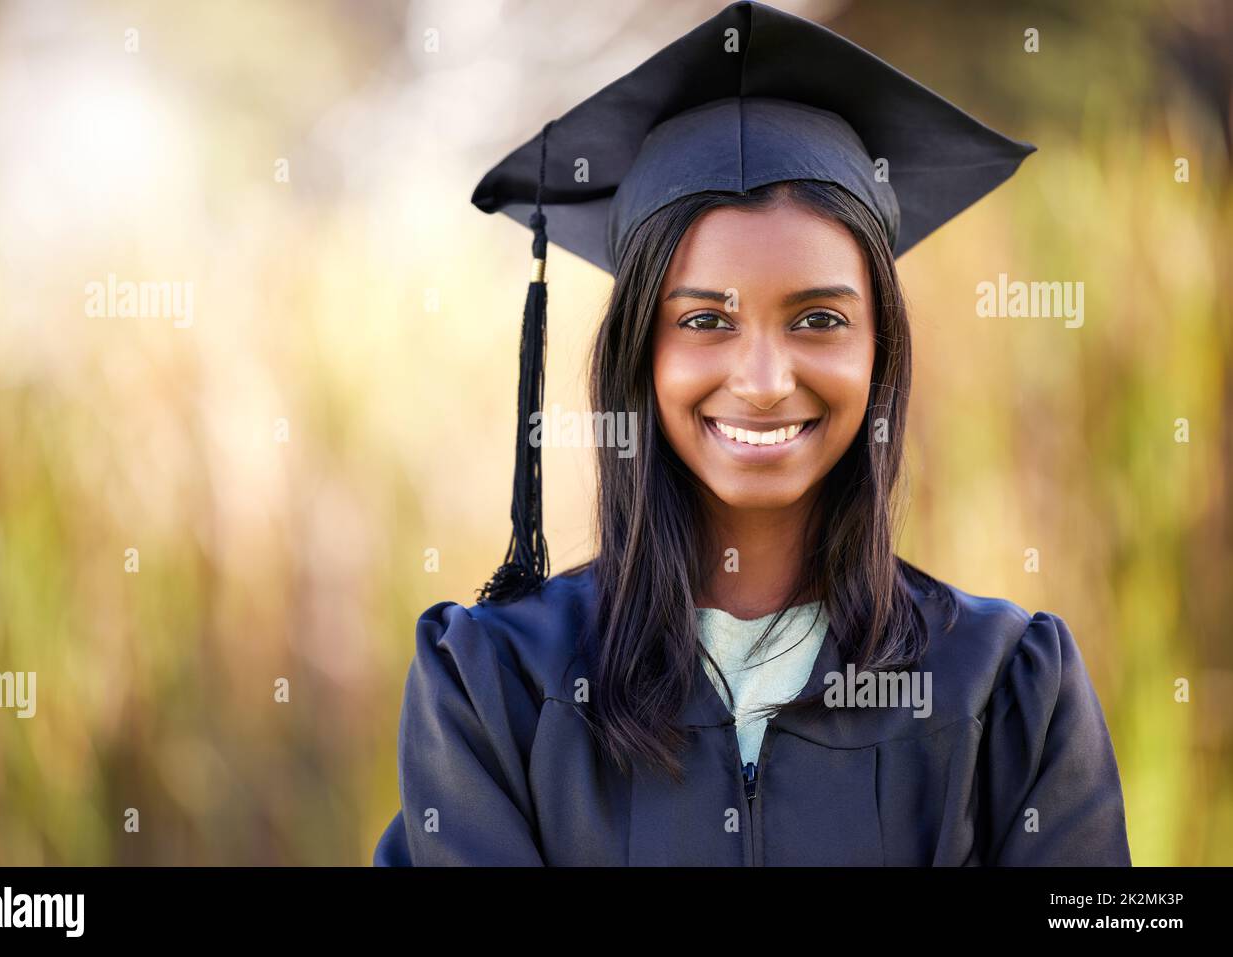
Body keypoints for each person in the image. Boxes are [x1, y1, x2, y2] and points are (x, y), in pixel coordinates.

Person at [373, 0, 1131, 866]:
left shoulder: (1006, 691)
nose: (766, 382)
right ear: (639, 352)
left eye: (818, 319)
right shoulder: (494, 689)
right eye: (704, 321)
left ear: (881, 347)